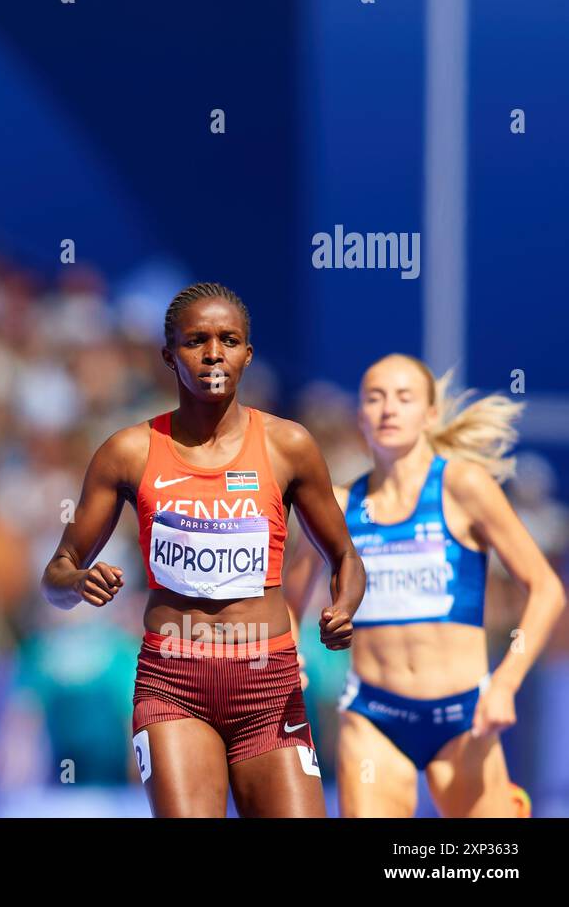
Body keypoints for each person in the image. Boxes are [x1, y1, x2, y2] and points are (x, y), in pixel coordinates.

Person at [41, 282, 363, 817]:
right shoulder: (128, 452)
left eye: (228, 340)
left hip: (268, 686)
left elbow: (346, 557)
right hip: (174, 685)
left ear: (247, 353)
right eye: (196, 341)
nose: (214, 353)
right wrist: (77, 582)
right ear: (169, 354)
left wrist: (343, 608)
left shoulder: (289, 446)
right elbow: (56, 574)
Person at [285, 353, 565, 816]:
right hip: (373, 716)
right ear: (361, 417)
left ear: (430, 414)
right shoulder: (338, 506)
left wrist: (505, 683)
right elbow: (289, 603)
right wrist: (289, 651)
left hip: (464, 716)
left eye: (404, 397)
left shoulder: (464, 488)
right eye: (375, 398)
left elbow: (546, 588)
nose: (389, 409)